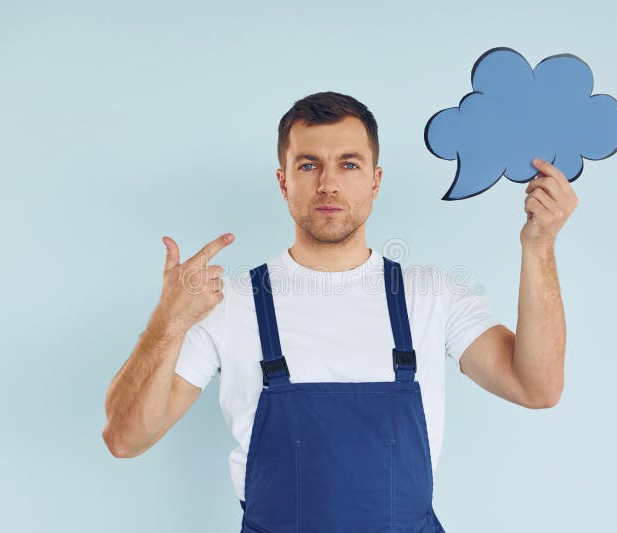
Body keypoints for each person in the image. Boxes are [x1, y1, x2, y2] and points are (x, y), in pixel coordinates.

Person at [102, 92, 577, 532]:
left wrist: (539, 247)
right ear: (283, 182)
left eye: (348, 164)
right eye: (309, 165)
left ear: (375, 180)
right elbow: (125, 439)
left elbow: (537, 387)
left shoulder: (432, 295)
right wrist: (169, 321)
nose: (328, 184)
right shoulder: (228, 304)